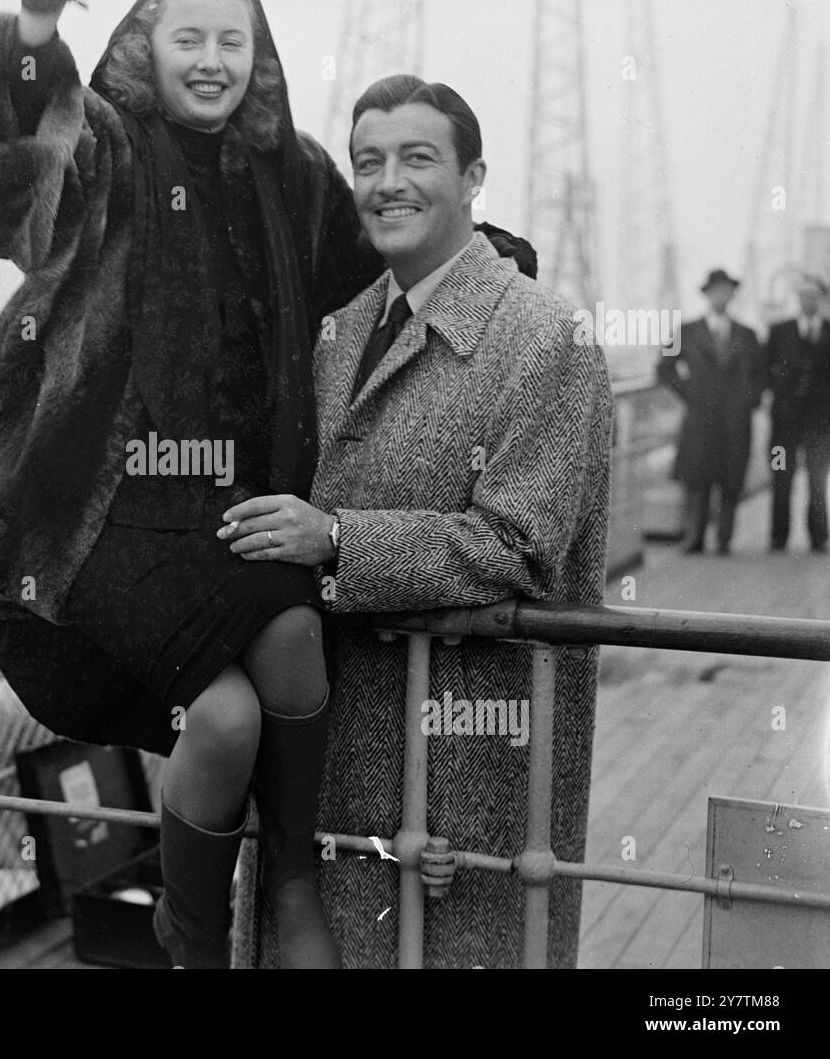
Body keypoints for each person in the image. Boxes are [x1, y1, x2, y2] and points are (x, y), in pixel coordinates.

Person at [0, 0, 391, 969]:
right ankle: (190, 932)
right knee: (222, 719)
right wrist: (43, 12)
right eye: (190, 40)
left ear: (257, 55)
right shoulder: (106, 145)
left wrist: (475, 249)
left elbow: (375, 257)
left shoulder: (291, 173)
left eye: (233, 40)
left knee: (297, 638)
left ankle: (293, 875)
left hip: (221, 507)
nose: (213, 61)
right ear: (147, 45)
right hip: (94, 510)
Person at [219, 75, 613, 968]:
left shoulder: (547, 339)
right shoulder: (337, 330)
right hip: (325, 753)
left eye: (416, 158)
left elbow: (515, 543)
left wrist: (339, 540)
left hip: (469, 771)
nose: (386, 181)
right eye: (367, 162)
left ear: (474, 177)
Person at [656, 269, 764, 554]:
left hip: (735, 420)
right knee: (698, 480)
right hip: (701, 418)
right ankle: (695, 539)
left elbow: (761, 375)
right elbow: (664, 368)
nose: (721, 296)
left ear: (732, 295)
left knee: (730, 481)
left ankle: (724, 541)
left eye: (726, 290)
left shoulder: (748, 334)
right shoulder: (687, 331)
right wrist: (689, 392)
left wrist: (747, 399)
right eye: (716, 290)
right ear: (706, 295)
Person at [766, 275, 830, 552]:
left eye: (814, 296)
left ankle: (818, 537)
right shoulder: (780, 331)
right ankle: (779, 537)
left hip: (820, 422)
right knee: (782, 476)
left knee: (817, 480)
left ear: (821, 299)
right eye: (805, 296)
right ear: (798, 299)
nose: (809, 301)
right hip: (784, 422)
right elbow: (763, 367)